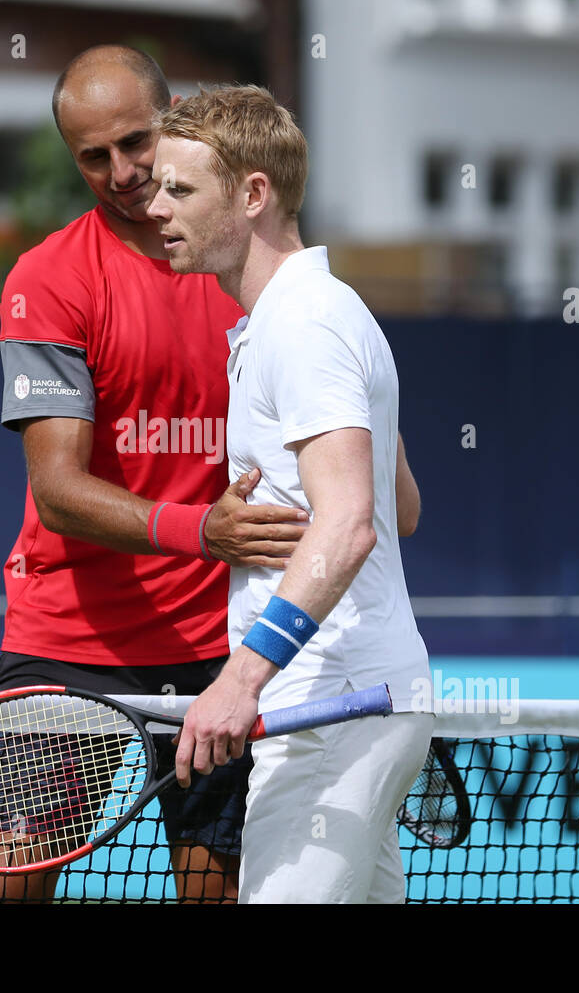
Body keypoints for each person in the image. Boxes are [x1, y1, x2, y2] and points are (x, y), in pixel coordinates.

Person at [0, 45, 309, 904]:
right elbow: (57, 492)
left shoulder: (254, 274)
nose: (123, 172)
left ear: (175, 122)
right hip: (67, 644)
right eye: (93, 156)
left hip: (220, 650)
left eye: (137, 142)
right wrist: (202, 529)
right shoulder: (48, 278)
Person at [152, 85, 434, 903]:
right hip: (348, 703)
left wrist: (239, 680)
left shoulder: (304, 323)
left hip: (332, 711)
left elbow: (351, 528)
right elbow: (400, 507)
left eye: (181, 190)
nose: (156, 207)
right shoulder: (312, 314)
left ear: (251, 194)